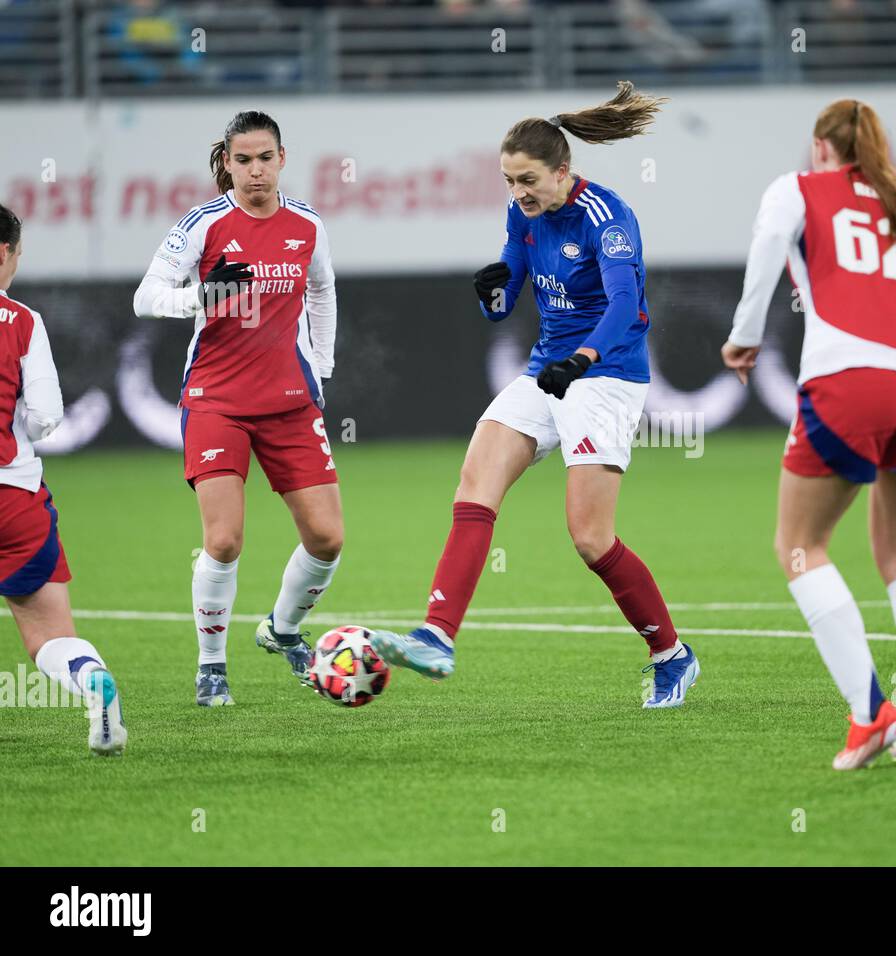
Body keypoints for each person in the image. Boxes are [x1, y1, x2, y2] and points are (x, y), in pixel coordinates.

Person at [370, 82, 700, 709]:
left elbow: (627, 306)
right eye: (508, 181)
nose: (518, 193)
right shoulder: (522, 216)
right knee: (474, 486)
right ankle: (436, 636)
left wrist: (581, 359)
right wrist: (492, 291)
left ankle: (672, 656)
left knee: (590, 539)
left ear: (562, 172)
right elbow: (506, 298)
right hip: (547, 370)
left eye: (528, 180)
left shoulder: (608, 216)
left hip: (605, 377)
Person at [721, 99, 896, 769]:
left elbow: (766, 244)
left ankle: (870, 710)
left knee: (798, 545)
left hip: (849, 377)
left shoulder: (798, 189)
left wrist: (745, 336)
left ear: (822, 146)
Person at [133, 110, 342, 706]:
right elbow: (145, 299)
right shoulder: (203, 224)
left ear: (282, 159)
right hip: (217, 402)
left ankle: (281, 629)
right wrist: (204, 294)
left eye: (264, 158)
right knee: (223, 541)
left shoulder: (307, 226)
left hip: (291, 403)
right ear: (226, 162)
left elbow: (323, 291)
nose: (254, 171)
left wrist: (321, 370)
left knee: (327, 539)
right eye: (242, 160)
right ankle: (212, 666)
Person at [0, 204, 127, 754]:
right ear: (4, 252)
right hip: (15, 498)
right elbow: (47, 416)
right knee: (48, 634)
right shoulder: (24, 322)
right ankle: (92, 683)